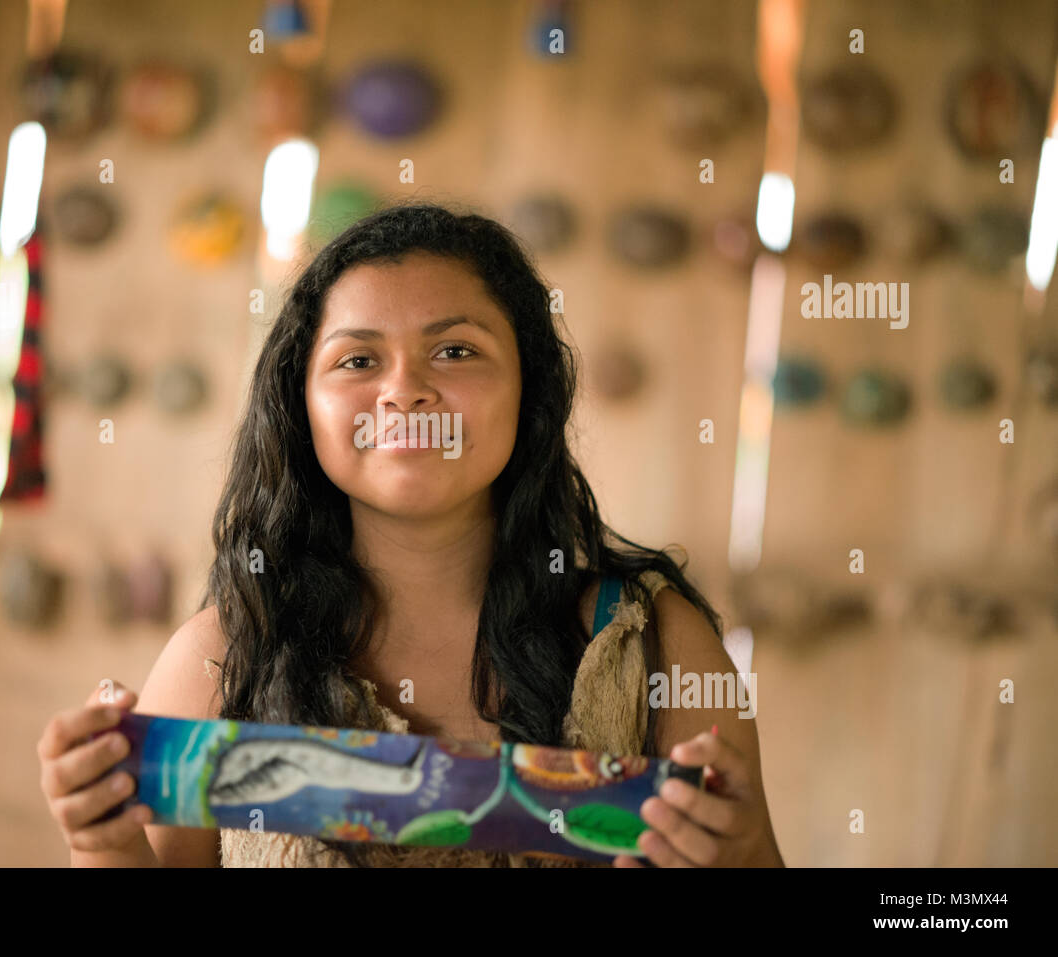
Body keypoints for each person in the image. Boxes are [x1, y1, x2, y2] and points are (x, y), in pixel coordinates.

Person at [38, 203, 785, 868]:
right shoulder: (220, 659)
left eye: (455, 350)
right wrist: (102, 840)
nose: (404, 389)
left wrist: (741, 855)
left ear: (529, 388)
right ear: (303, 407)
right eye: (357, 360)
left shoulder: (653, 646)